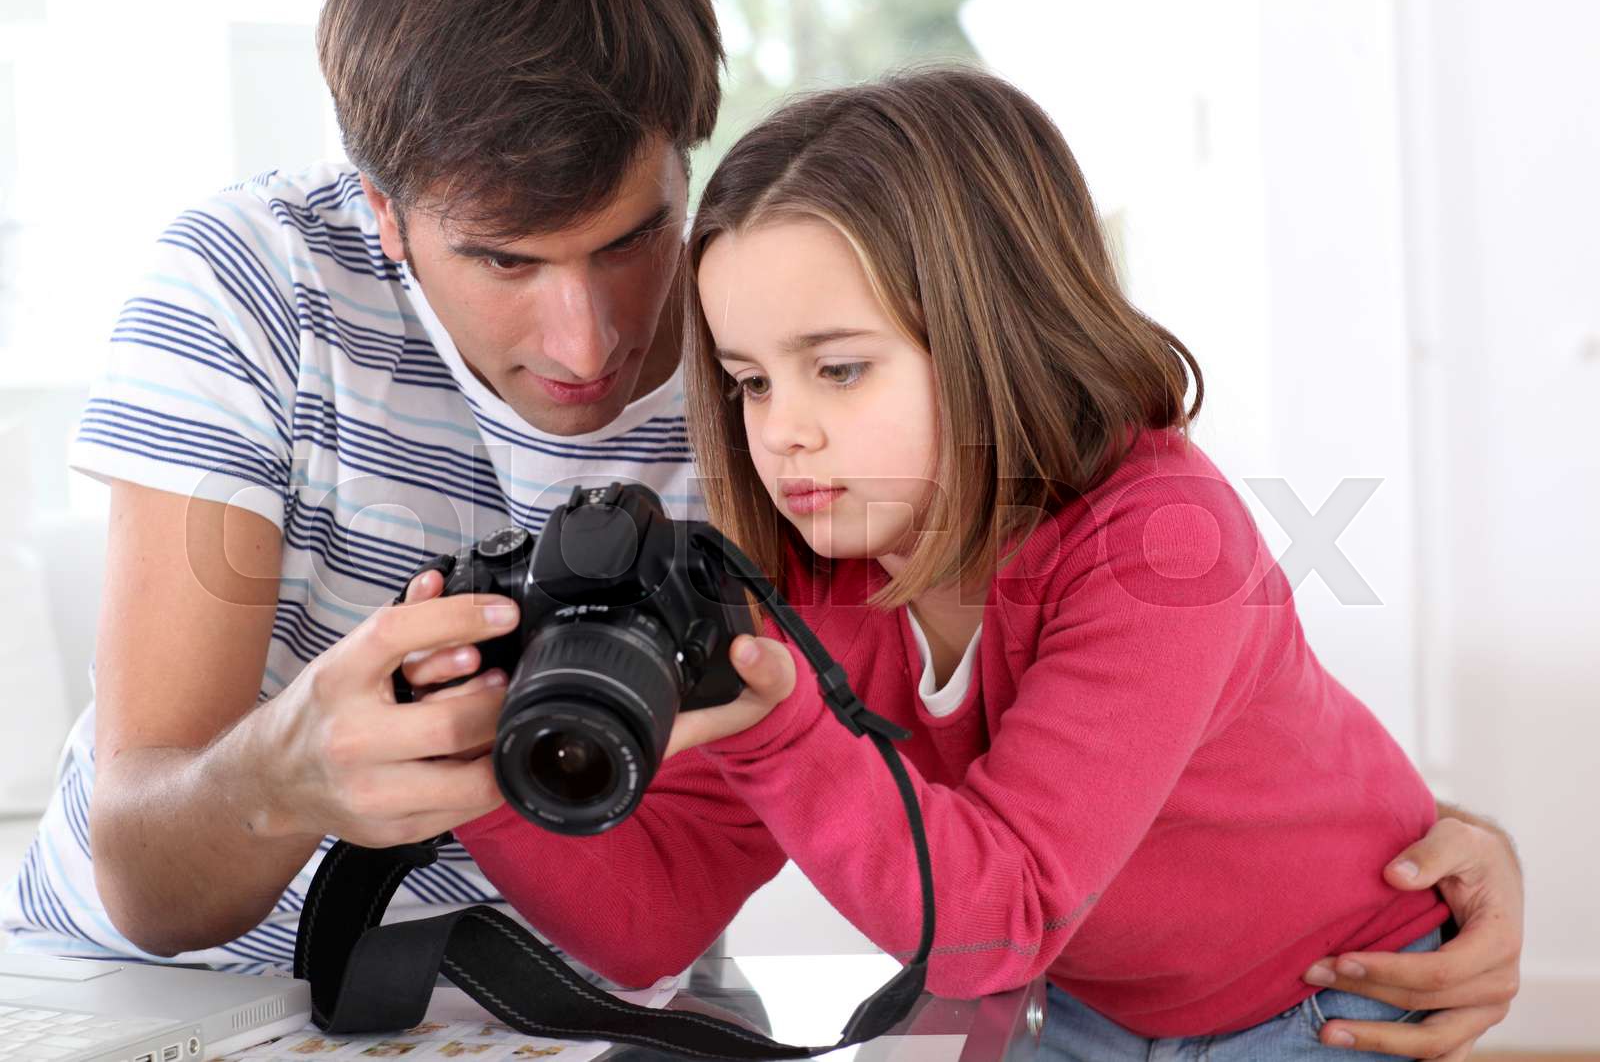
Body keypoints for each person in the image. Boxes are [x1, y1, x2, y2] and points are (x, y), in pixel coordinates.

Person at [0, 0, 1515, 1056]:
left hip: (1290, 999)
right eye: (743, 382)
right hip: (1055, 1004)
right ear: (383, 212)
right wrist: (469, 751)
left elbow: (1020, 882)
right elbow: (664, 896)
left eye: (635, 234)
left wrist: (1462, 844)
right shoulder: (826, 538)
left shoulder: (1088, 519)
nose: (599, 345)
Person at [455, 65, 1522, 1060]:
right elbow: (654, 921)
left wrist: (785, 731)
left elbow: (999, 920)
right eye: (750, 381)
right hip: (1086, 1002)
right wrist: (470, 759)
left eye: (838, 368)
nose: (781, 431)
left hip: (1334, 994)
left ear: (994, 331)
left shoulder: (1159, 537)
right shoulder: (819, 578)